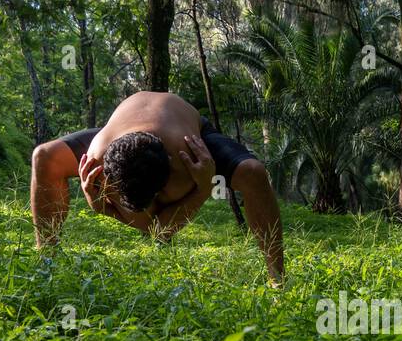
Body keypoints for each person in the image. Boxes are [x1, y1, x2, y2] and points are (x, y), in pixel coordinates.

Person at [29, 91, 284, 285]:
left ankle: (277, 279)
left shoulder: (185, 162)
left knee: (253, 173)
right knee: (45, 156)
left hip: (185, 128)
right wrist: (101, 205)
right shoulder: (97, 161)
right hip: (122, 131)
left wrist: (203, 188)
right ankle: (46, 260)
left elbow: (158, 231)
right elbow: (148, 223)